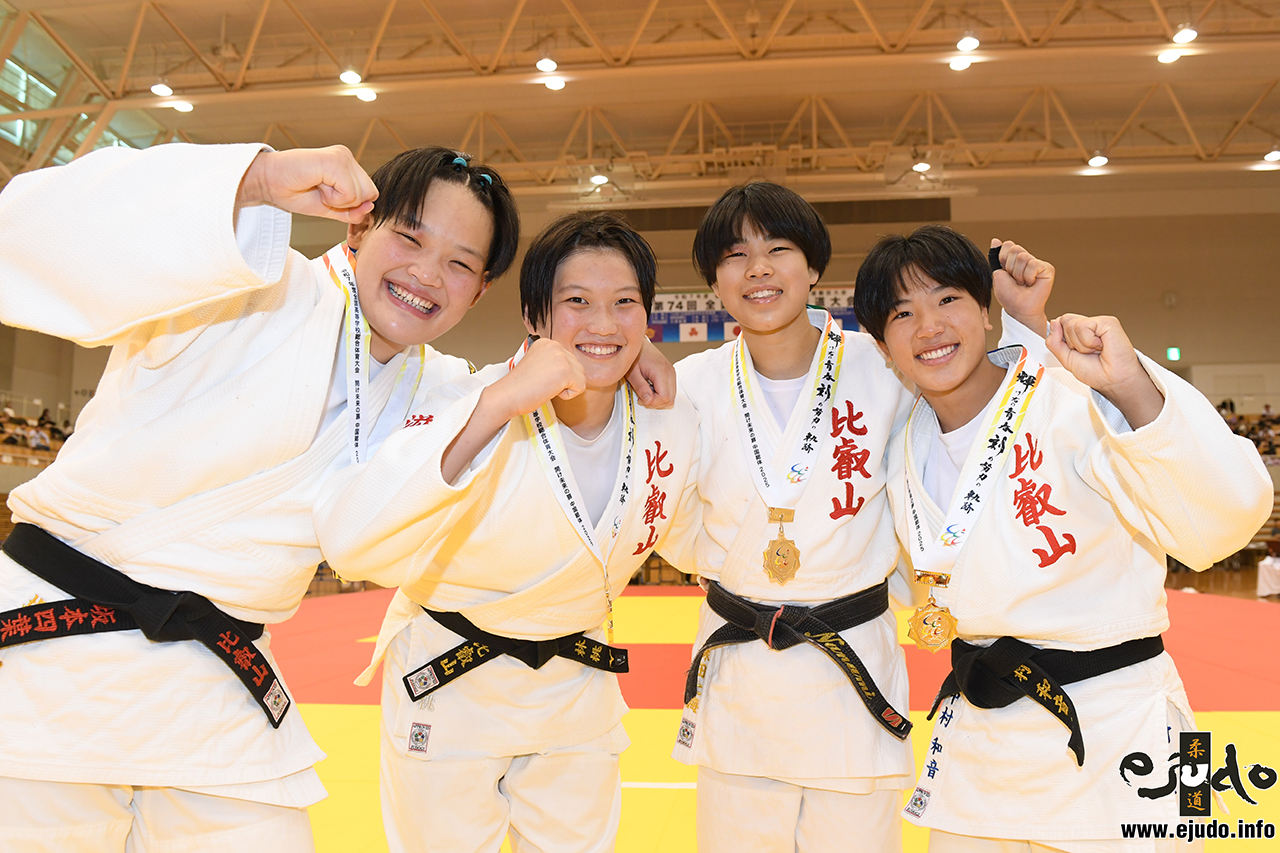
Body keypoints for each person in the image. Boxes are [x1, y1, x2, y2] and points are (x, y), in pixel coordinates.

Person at [0, 141, 545, 852]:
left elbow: (365, 544)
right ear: (359, 228)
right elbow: (28, 235)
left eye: (460, 263)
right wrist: (252, 183)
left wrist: (617, 349)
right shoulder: (242, 276)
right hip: (54, 659)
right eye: (409, 237)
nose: (426, 273)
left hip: (220, 687)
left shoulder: (443, 393)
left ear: (479, 292)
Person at [659, 182, 1053, 853]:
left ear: (813, 268)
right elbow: (671, 524)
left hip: (852, 677)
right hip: (741, 672)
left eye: (778, 248)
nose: (758, 268)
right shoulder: (687, 384)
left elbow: (981, 426)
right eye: (735, 255)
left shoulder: (884, 365)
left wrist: (1027, 326)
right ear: (715, 281)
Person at [852, 224, 1272, 852]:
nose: (928, 327)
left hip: (1120, 723)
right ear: (883, 345)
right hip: (981, 736)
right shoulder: (901, 441)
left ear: (984, 312)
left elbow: (1223, 520)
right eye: (902, 313)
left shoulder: (1078, 397)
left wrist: (1128, 386)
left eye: (947, 300)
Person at [314, 211, 700, 852]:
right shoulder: (471, 400)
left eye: (623, 304)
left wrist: (619, 353)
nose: (602, 323)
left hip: (577, 687)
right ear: (533, 315)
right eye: (576, 302)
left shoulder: (671, 418)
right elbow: (351, 539)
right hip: (452, 681)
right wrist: (496, 408)